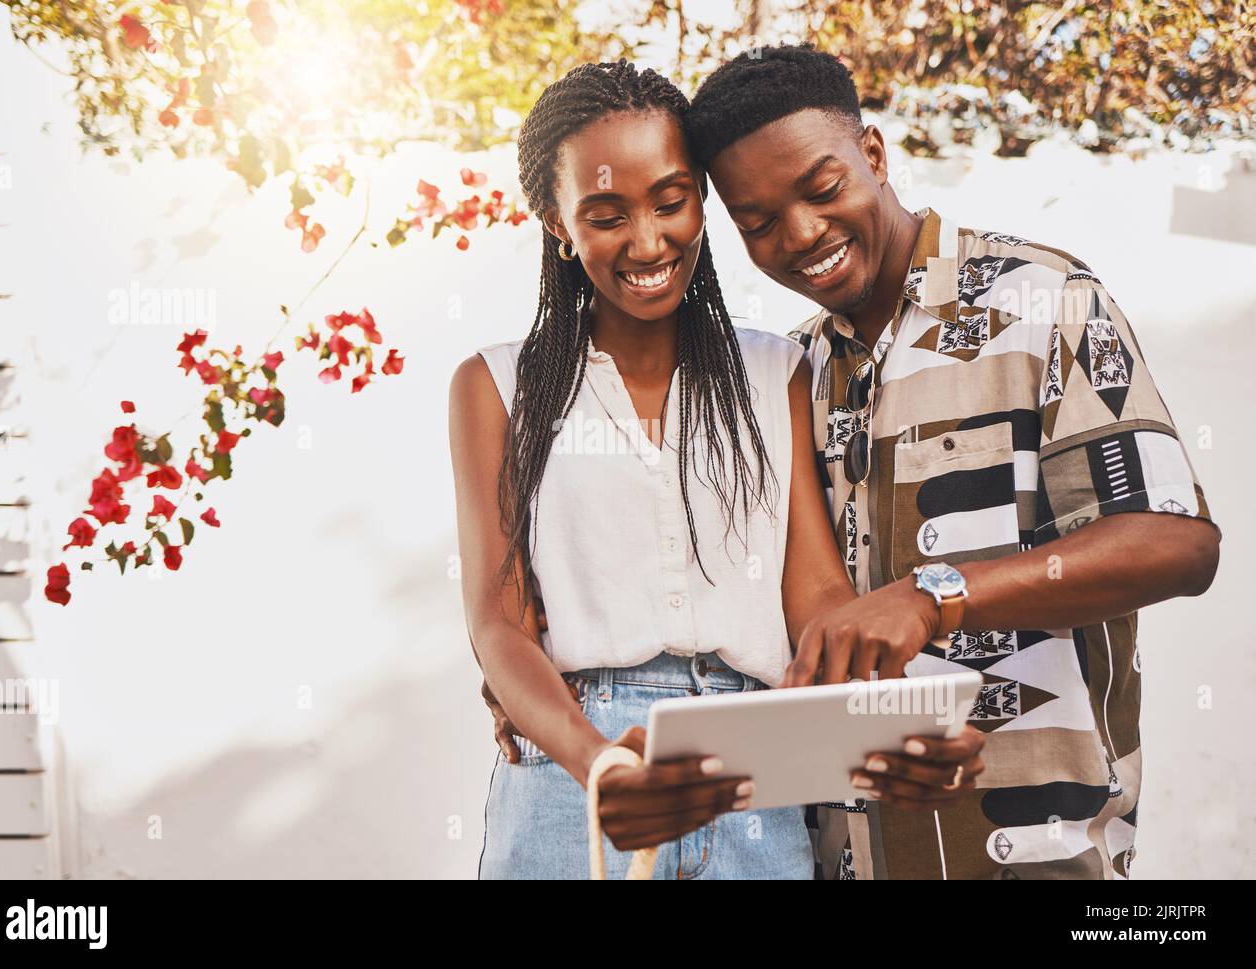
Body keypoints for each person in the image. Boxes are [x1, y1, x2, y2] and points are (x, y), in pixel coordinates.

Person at [673, 43, 1222, 878]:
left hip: (1039, 859)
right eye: (757, 223)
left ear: (874, 153)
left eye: (822, 190)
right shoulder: (790, 373)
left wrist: (938, 594)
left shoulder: (1044, 301)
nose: (802, 234)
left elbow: (1177, 541)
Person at [449, 59, 985, 880]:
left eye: (671, 201)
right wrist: (597, 761)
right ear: (558, 224)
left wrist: (887, 724)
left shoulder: (779, 372)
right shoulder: (495, 385)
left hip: (754, 773)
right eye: (606, 213)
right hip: (572, 766)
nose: (648, 240)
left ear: (701, 198)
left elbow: (816, 603)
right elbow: (500, 623)